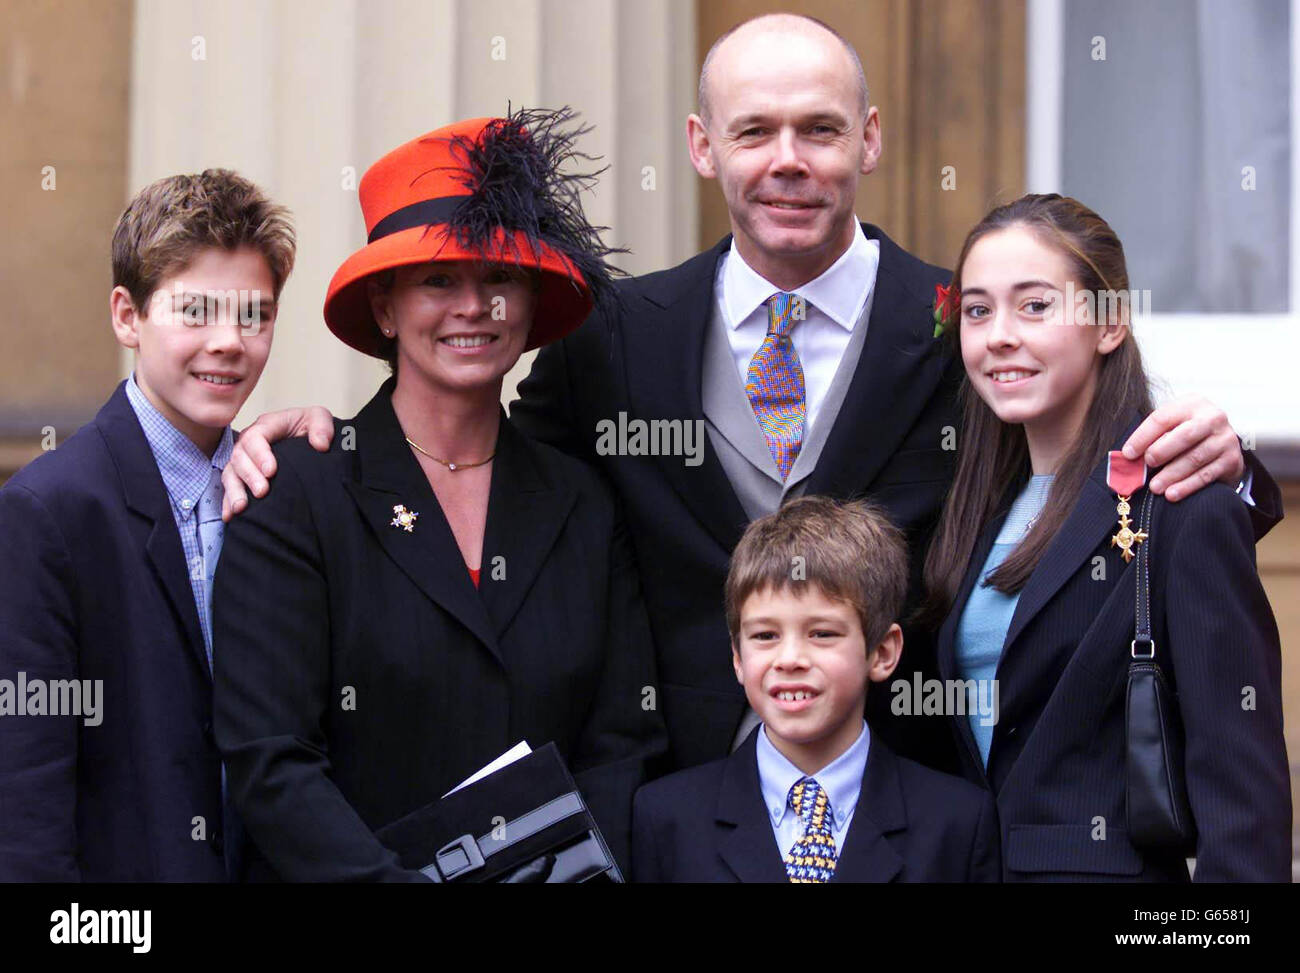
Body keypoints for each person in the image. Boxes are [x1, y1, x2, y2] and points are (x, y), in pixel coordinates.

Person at [219, 13, 1281, 779]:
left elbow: (1085, 439)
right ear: (701, 147)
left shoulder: (963, 323)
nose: (787, 162)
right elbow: (477, 451)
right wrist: (309, 428)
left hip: (915, 815)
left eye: (819, 131)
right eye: (754, 131)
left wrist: (1225, 469)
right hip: (678, 816)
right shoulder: (614, 336)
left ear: (867, 140)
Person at [211, 109, 666, 881]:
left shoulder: (582, 503)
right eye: (438, 280)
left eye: (499, 278)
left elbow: (623, 743)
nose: (473, 306)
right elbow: (273, 764)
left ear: (528, 306)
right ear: (385, 308)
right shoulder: (297, 495)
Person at [922, 193, 1290, 881]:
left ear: (1110, 324)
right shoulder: (975, 506)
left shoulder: (1180, 503)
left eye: (1035, 306)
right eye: (977, 310)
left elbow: (1243, 794)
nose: (1000, 333)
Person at [0, 169, 295, 880]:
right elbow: (26, 804)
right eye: (196, 311)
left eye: (253, 313)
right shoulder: (50, 509)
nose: (229, 341)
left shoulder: (283, 488)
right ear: (127, 316)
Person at [631, 496, 999, 882]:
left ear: (882, 652)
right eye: (765, 635)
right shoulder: (667, 819)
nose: (789, 659)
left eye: (822, 634)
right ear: (737, 656)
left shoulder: (956, 823)